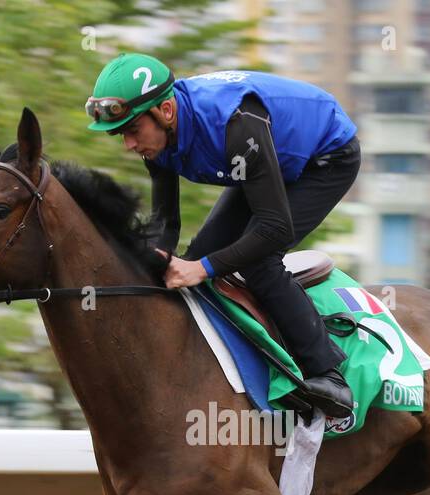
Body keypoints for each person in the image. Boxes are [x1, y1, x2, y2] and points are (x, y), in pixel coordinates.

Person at [86, 53, 359, 419]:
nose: (129, 145)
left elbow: (273, 228)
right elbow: (166, 225)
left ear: (165, 111)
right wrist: (154, 260)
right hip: (260, 163)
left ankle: (329, 375)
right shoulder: (159, 136)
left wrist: (201, 267)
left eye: (133, 131)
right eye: (122, 135)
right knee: (197, 257)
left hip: (324, 160)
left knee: (256, 260)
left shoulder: (236, 126)